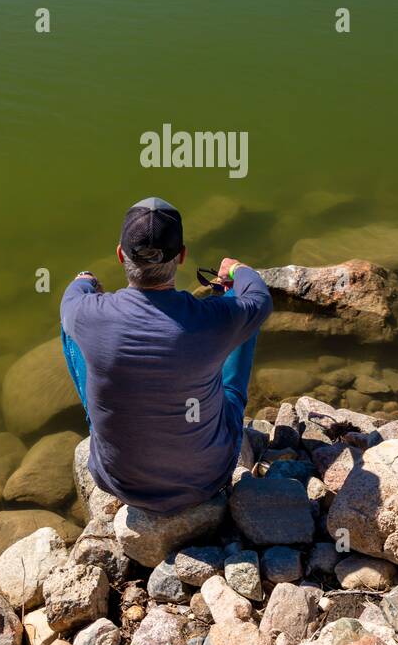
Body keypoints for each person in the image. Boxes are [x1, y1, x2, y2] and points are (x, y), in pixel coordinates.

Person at [60, 196, 272, 514]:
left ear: (120, 254)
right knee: (240, 316)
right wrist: (236, 271)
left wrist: (87, 280)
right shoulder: (210, 319)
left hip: (118, 480)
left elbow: (74, 292)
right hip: (208, 478)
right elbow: (259, 297)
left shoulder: (87, 313)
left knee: (70, 328)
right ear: (182, 256)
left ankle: (96, 421)